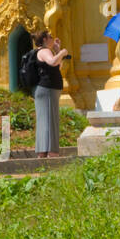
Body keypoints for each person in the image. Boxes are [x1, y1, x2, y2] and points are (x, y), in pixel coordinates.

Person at [33, 30, 67, 158]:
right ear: (44, 40)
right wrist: (63, 52)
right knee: (49, 120)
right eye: (50, 37)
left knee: (45, 120)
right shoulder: (44, 51)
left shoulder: (45, 51)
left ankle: (43, 152)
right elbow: (53, 62)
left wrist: (58, 51)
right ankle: (51, 152)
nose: (53, 38)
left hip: (46, 90)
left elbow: (57, 66)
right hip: (47, 90)